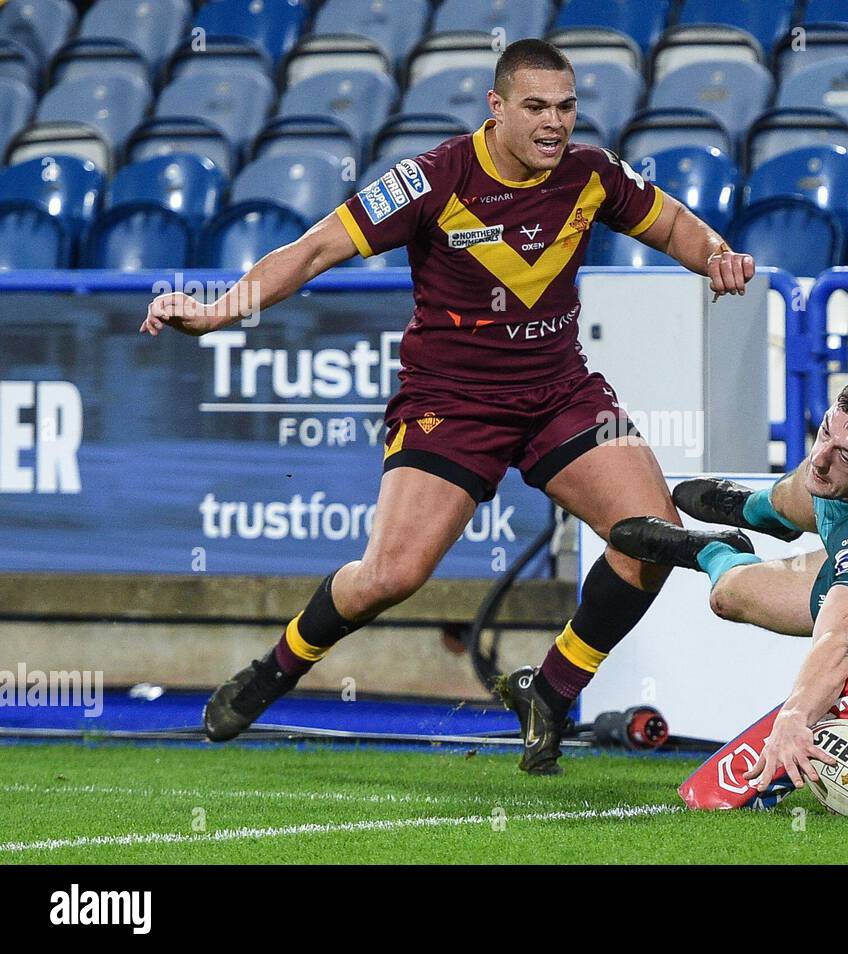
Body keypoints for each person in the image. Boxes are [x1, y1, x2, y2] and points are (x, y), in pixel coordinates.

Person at [139, 39, 756, 775]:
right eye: (535, 108)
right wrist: (217, 311)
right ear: (496, 110)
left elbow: (677, 225)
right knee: (389, 577)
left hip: (563, 391)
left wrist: (715, 252)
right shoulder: (432, 178)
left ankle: (550, 690)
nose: (554, 123)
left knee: (649, 538)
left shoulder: (592, 173)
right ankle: (280, 665)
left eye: (565, 107)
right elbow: (312, 250)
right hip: (450, 403)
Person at [611, 306, 848, 793]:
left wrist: (796, 716)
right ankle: (753, 508)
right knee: (813, 485)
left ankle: (714, 549)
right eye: (826, 430)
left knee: (729, 596)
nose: (821, 454)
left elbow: (840, 640)